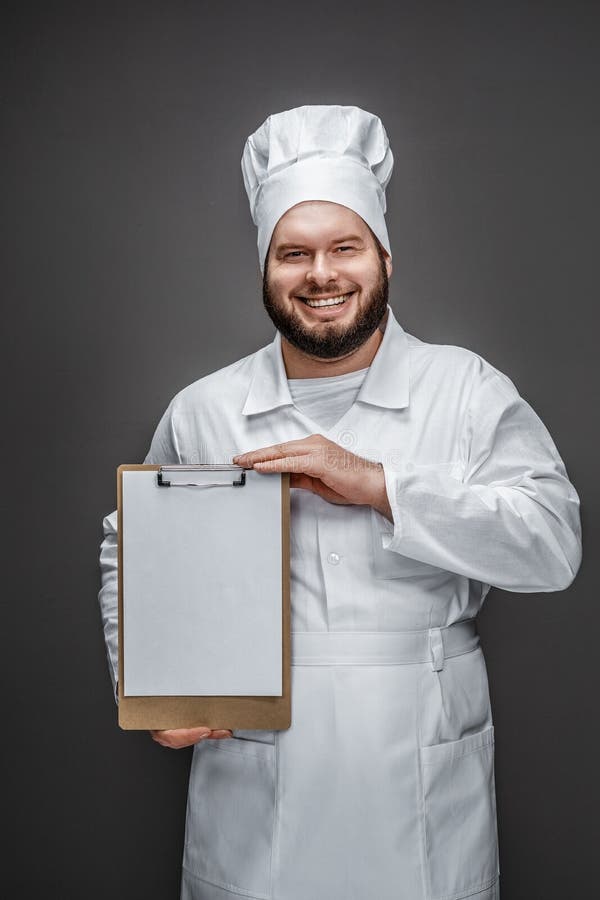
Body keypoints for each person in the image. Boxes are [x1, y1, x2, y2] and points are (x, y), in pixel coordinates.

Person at [98, 105, 582, 900]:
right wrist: (146, 688)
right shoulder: (206, 408)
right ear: (265, 267)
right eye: (294, 253)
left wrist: (385, 487)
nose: (321, 274)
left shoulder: (464, 389)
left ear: (383, 256)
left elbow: (554, 543)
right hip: (255, 769)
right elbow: (132, 542)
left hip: (420, 767)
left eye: (343, 248)